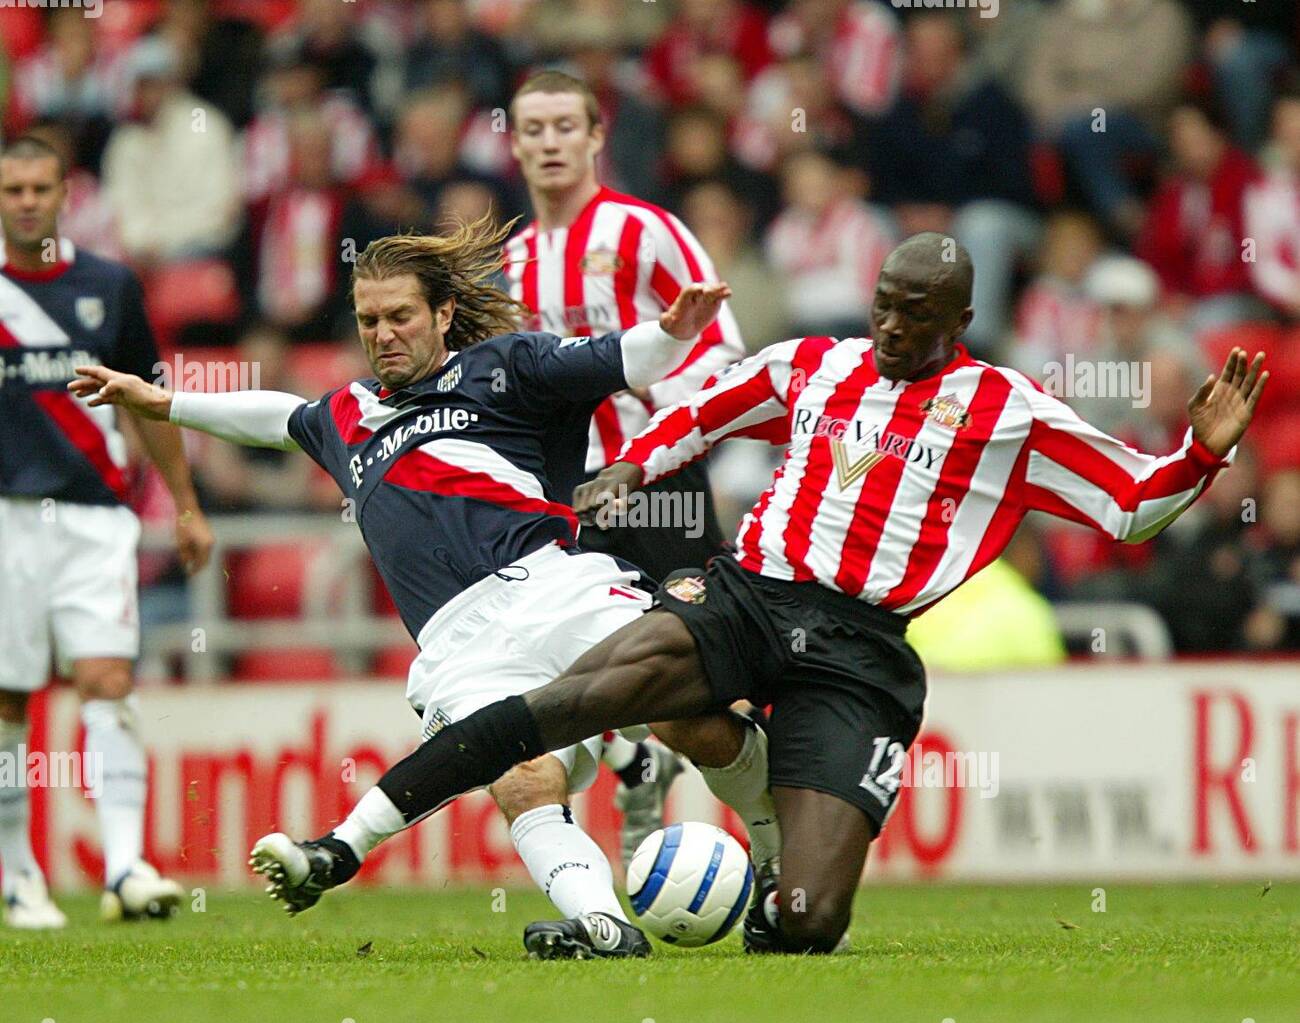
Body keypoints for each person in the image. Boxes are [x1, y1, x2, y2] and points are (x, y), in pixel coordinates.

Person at [313, 232, 1268, 954]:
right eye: (884, 305)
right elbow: (704, 409)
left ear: (959, 325)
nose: (891, 327)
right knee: (569, 699)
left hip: (860, 650)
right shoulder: (816, 364)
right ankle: (346, 846)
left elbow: (1130, 505)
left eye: (916, 316)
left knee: (810, 921)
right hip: (749, 597)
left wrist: (1203, 452)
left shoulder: (1008, 410)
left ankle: (767, 886)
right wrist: (631, 471)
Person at [70, 219, 779, 960]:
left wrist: (671, 333)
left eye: (400, 315)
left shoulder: (506, 367)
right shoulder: (346, 416)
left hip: (554, 583)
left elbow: (620, 357)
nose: (383, 333)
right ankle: (604, 926)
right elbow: (275, 416)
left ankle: (778, 862)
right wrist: (162, 402)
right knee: (520, 779)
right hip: (456, 639)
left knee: (687, 716)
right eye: (368, 320)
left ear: (442, 313)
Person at [503, 70, 747, 866]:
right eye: (532, 128)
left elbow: (724, 347)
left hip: (656, 486)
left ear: (597, 136)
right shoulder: (507, 264)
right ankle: (632, 763)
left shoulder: (647, 233)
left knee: (702, 674)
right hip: (562, 498)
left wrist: (652, 430)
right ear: (513, 142)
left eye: (564, 126)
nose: (548, 142)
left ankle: (760, 851)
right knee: (568, 665)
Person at [0, 134, 214, 928]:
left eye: (38, 188)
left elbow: (145, 402)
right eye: (12, 188)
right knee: (9, 698)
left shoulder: (109, 287)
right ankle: (20, 874)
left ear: (65, 195)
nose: (26, 201)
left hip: (95, 516)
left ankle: (125, 864)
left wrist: (185, 502)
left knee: (107, 680)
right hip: (4, 521)